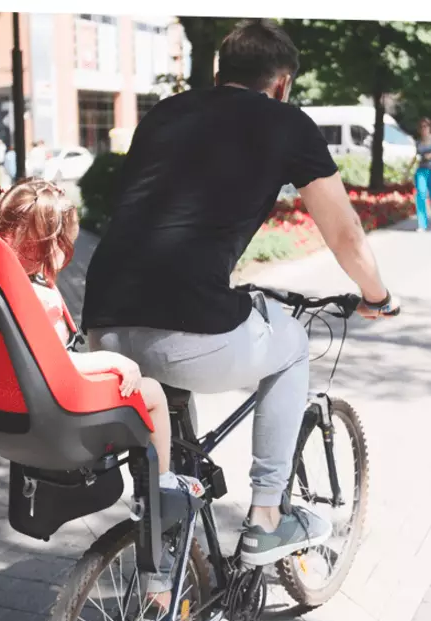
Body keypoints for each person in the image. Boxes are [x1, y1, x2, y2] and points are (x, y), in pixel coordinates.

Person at [81, 19, 399, 575]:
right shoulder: (286, 122)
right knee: (293, 343)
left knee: (175, 420)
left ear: (219, 72)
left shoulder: (166, 113)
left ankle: (167, 536)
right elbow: (345, 233)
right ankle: (268, 518)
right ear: (281, 83)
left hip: (103, 326)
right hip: (185, 328)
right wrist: (378, 295)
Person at [0, 180, 202, 608]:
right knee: (154, 395)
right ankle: (163, 487)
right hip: (61, 413)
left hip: (8, 418)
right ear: (49, 242)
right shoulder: (39, 297)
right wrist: (117, 364)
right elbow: (56, 364)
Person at [407, 117, 431, 232]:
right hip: (421, 171)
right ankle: (422, 224)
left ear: (430, 127)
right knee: (421, 195)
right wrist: (408, 170)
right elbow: (416, 157)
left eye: (426, 126)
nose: (424, 129)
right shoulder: (418, 142)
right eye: (422, 127)